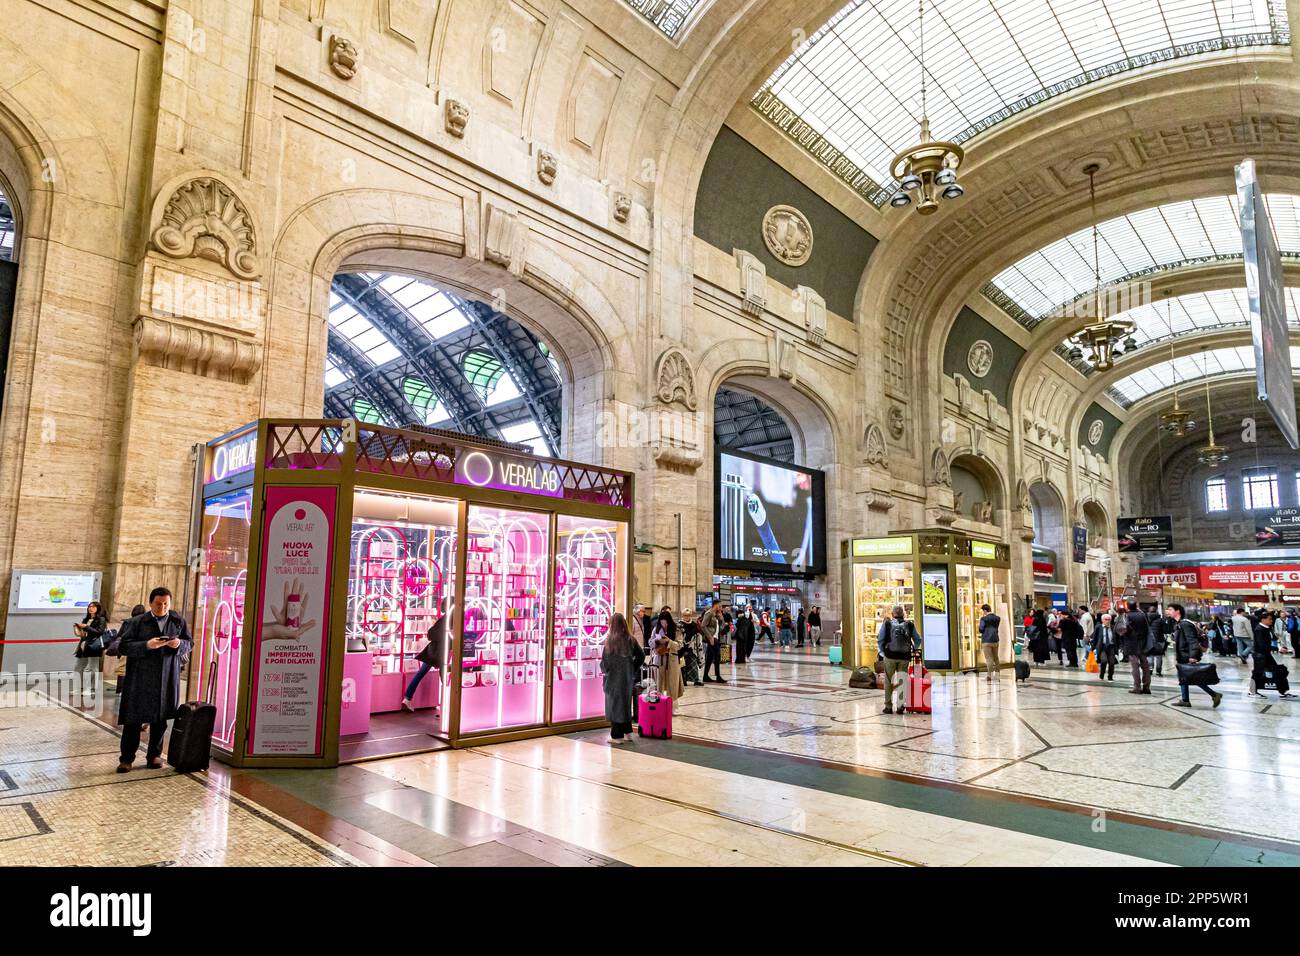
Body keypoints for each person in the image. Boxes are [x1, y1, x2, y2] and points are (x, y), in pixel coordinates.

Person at [116, 587, 193, 772]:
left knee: (160, 719)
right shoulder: (137, 622)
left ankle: (154, 756)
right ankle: (126, 759)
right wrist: (146, 645)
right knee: (133, 720)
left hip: (166, 678)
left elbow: (189, 643)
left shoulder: (178, 622)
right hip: (139, 679)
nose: (162, 607)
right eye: (158, 604)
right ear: (150, 603)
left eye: (166, 604)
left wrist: (179, 644)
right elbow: (123, 646)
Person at [600, 613, 645, 744]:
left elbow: (605, 662)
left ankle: (616, 735)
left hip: (613, 679)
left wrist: (603, 670)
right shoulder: (631, 639)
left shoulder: (610, 641)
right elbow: (641, 656)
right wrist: (632, 669)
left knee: (614, 706)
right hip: (627, 678)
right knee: (625, 704)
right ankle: (628, 732)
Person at [1169, 603, 1222, 709]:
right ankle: (1185, 700)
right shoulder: (1178, 624)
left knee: (1192, 677)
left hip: (1187, 654)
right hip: (1183, 654)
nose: (1168, 611)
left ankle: (1214, 694)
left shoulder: (1184, 624)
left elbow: (1192, 640)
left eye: (1170, 610)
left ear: (1177, 611)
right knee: (1184, 677)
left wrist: (1192, 656)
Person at [401, 599, 450, 712]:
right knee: (445, 679)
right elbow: (432, 634)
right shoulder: (449, 619)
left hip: (433, 652)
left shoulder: (444, 619)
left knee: (422, 673)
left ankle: (408, 698)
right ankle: (447, 706)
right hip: (441, 652)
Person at [877, 605, 920, 714]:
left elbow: (880, 639)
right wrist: (914, 649)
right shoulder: (909, 625)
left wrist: (883, 652)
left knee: (888, 680)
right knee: (902, 681)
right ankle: (900, 706)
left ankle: (888, 706)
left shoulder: (887, 624)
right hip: (904, 657)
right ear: (903, 615)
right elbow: (918, 639)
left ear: (892, 615)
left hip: (890, 656)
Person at [1248, 609, 1296, 699]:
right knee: (1257, 673)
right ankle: (1252, 692)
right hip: (1260, 656)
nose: (1271, 620)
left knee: (1278, 672)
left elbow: (1272, 639)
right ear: (1263, 619)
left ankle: (1283, 692)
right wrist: (1278, 649)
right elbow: (1262, 645)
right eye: (1269, 619)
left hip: (1266, 654)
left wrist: (1279, 646)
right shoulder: (1259, 629)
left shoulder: (1267, 628)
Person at [72, 601, 108, 700]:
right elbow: (83, 634)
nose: (90, 608)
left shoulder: (101, 619)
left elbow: (99, 632)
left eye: (93, 606)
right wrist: (78, 629)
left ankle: (89, 689)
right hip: (84, 645)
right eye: (89, 607)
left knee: (92, 668)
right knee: (78, 667)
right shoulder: (86, 619)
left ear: (98, 608)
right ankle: (78, 688)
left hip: (94, 646)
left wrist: (87, 627)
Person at [1119, 600, 1152, 695]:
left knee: (1135, 666)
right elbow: (1147, 628)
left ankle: (1137, 687)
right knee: (1145, 665)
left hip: (1131, 643)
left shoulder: (1126, 616)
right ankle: (1146, 687)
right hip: (1142, 642)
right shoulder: (1143, 615)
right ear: (1136, 605)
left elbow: (1121, 630)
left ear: (1128, 606)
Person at [651, 632, 684, 701]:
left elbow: (679, 645)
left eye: (666, 622)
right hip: (659, 661)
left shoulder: (676, 630)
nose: (664, 624)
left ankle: (672, 706)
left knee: (672, 686)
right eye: (662, 621)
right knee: (658, 685)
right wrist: (656, 642)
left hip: (672, 661)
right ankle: (659, 704)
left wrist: (669, 641)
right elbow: (651, 642)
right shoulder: (656, 629)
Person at [699, 599, 726, 683]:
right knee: (717, 657)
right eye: (720, 606)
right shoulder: (709, 613)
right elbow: (703, 626)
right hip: (712, 638)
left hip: (716, 637)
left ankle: (705, 676)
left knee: (710, 657)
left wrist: (721, 618)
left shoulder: (716, 614)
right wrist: (710, 637)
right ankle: (718, 676)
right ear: (716, 605)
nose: (721, 608)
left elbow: (721, 626)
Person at [1090, 612, 1119, 681]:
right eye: (1106, 619)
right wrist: (1092, 648)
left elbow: (1117, 638)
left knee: (1112, 663)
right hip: (1102, 647)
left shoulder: (1113, 627)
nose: (1107, 621)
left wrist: (1119, 647)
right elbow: (1095, 638)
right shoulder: (1098, 627)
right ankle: (1102, 674)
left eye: (1109, 619)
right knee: (1104, 661)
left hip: (1111, 647)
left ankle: (1110, 676)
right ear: (1102, 620)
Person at [977, 603, 1001, 682]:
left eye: (982, 611)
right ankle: (997, 675)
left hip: (986, 640)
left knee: (989, 659)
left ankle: (989, 676)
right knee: (996, 658)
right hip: (995, 640)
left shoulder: (984, 619)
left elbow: (981, 629)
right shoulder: (997, 618)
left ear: (984, 610)